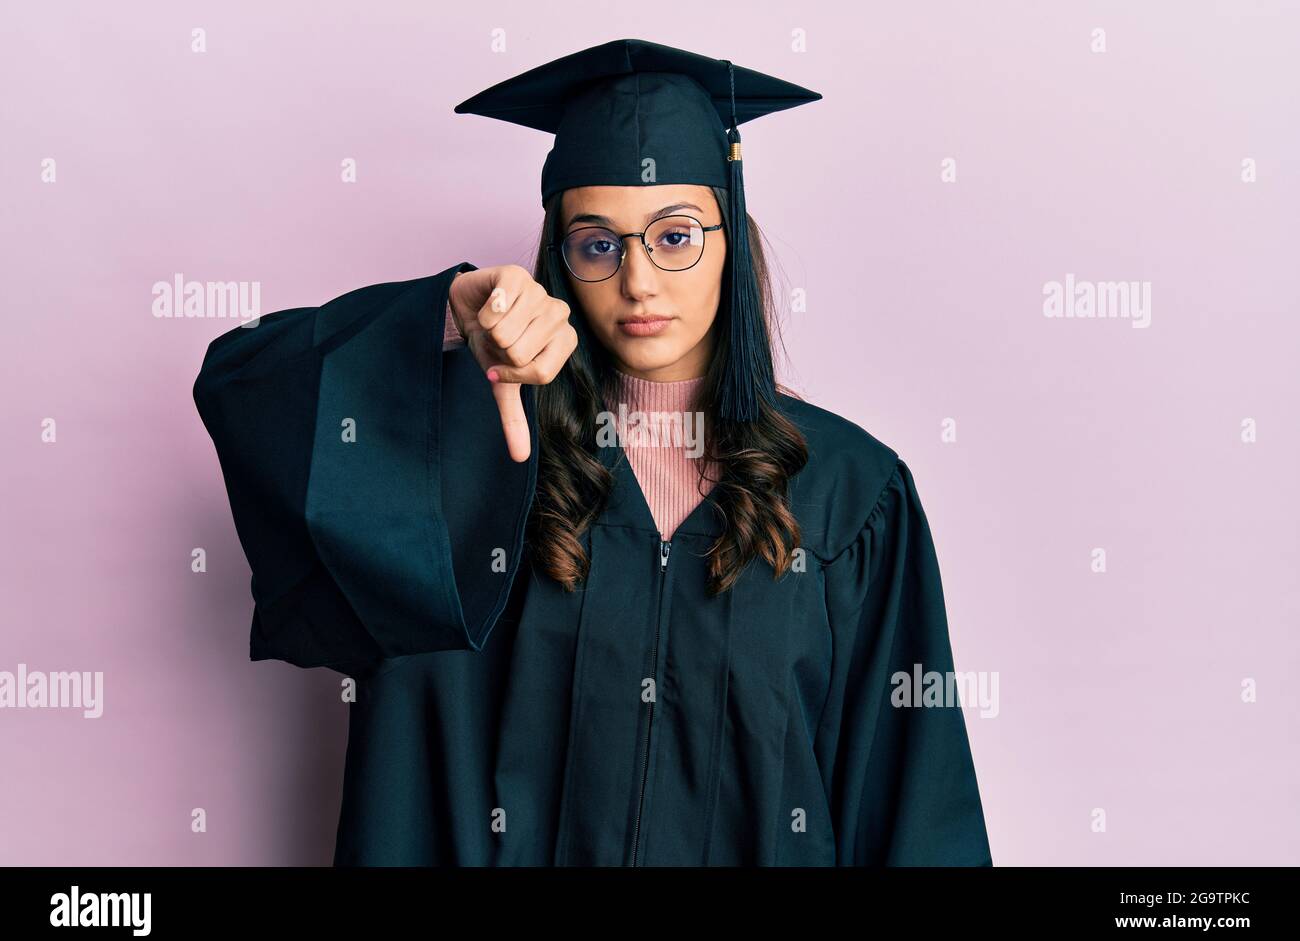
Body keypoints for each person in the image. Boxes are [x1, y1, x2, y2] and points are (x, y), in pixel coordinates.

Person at [192, 38, 993, 866]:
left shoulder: (848, 494)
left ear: (730, 238)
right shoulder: (463, 457)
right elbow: (242, 389)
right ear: (561, 260)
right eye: (598, 243)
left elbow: (913, 804)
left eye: (676, 236)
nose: (640, 281)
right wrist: (441, 314)